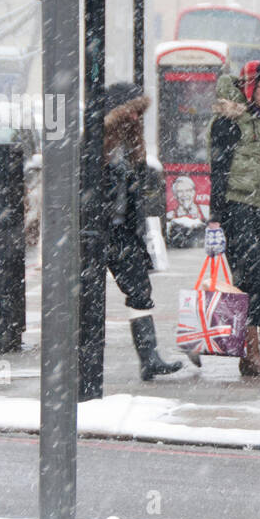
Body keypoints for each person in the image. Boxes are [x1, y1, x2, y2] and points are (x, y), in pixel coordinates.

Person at [102, 82, 184, 382]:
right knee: (86, 298)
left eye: (140, 113)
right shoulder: (98, 143)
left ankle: (149, 358)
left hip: (123, 230)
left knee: (139, 289)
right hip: (99, 230)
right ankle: (82, 357)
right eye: (132, 112)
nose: (137, 119)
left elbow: (135, 190)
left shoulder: (131, 144)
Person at [209, 60, 260, 376]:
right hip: (235, 207)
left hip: (254, 208)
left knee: (254, 278)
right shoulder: (230, 121)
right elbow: (219, 169)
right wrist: (214, 219)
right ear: (251, 87)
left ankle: (247, 353)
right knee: (247, 277)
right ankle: (249, 354)